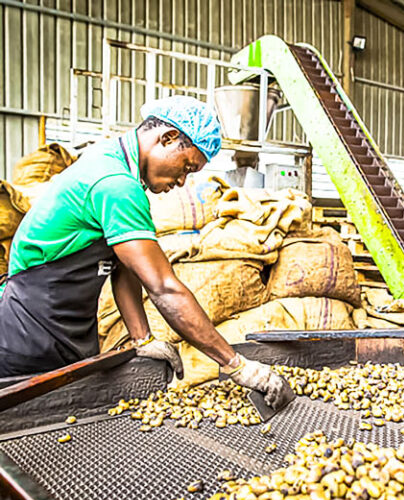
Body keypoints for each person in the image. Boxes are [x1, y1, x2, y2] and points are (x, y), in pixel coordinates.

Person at [0, 96, 291, 408]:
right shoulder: (115, 184)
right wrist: (237, 365)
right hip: (31, 333)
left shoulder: (112, 162)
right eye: (186, 167)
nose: (181, 181)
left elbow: (124, 267)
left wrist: (143, 338)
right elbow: (164, 288)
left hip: (65, 328)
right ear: (167, 138)